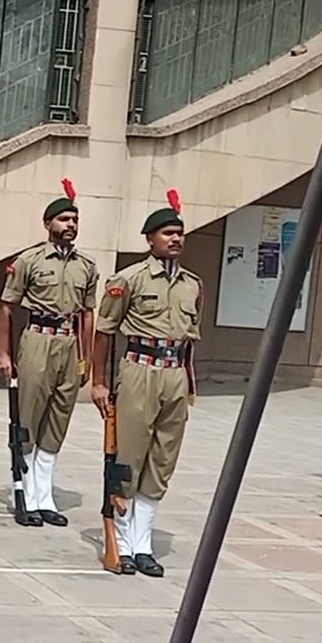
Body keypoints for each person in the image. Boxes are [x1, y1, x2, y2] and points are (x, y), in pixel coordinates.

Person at [90, 189, 200, 578]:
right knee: (129, 457)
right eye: (167, 233)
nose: (175, 239)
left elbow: (189, 339)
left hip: (174, 376)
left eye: (179, 233)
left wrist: (188, 385)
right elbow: (104, 331)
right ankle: (119, 539)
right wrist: (99, 382)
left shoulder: (192, 284)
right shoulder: (128, 280)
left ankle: (143, 543)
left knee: (162, 459)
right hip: (139, 370)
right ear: (150, 239)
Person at [0, 178, 98, 528]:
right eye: (63, 219)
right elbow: (7, 307)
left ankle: (44, 495)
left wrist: (86, 360)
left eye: (74, 220)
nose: (70, 225)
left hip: (69, 344)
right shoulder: (29, 261)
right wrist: (4, 354)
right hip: (38, 337)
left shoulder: (87, 266)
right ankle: (21, 491)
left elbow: (87, 314)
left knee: (58, 420)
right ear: (48, 224)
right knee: (28, 417)